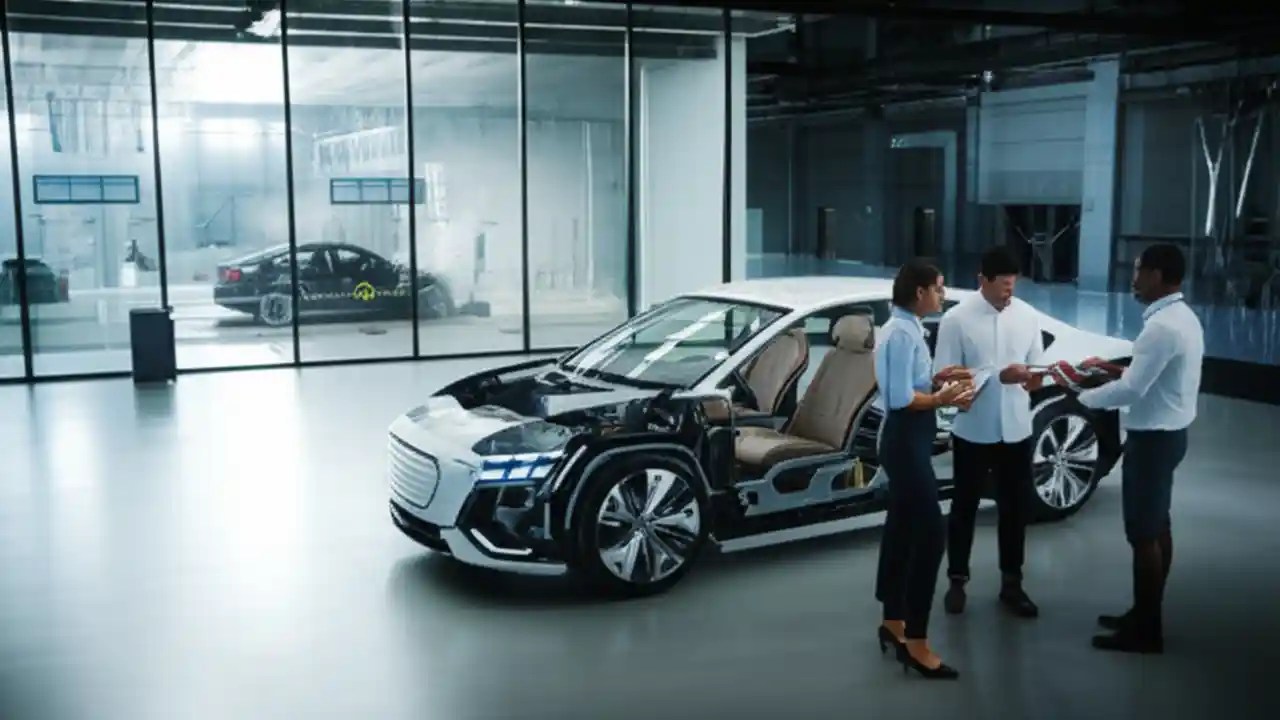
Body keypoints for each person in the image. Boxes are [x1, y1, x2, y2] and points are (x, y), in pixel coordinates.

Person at [1075, 242, 1203, 654]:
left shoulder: (1161, 327)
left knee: (1143, 536)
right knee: (1158, 526)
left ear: (1158, 275)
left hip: (1152, 441)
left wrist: (1080, 395)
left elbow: (1132, 390)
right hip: (1171, 435)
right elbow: (1153, 374)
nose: (1133, 279)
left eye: (1138, 270)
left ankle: (1147, 632)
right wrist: (1110, 368)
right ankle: (1144, 613)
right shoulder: (1182, 319)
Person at [931, 246, 1045, 619]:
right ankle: (957, 580)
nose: (1008, 295)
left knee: (1015, 510)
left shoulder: (1028, 316)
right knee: (964, 507)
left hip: (1016, 430)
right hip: (973, 430)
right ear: (982, 280)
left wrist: (1034, 379)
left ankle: (1012, 583)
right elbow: (944, 375)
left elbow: (1035, 365)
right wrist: (996, 376)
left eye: (1013, 287)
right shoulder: (957, 320)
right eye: (1002, 288)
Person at [874, 259, 975, 680]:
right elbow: (899, 398)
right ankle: (916, 641)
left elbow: (912, 384)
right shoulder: (900, 332)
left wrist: (938, 382)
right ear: (919, 292)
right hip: (903, 440)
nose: (943, 294)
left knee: (901, 527)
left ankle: (893, 620)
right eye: (938, 287)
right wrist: (943, 399)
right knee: (932, 534)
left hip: (910, 437)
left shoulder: (909, 327)